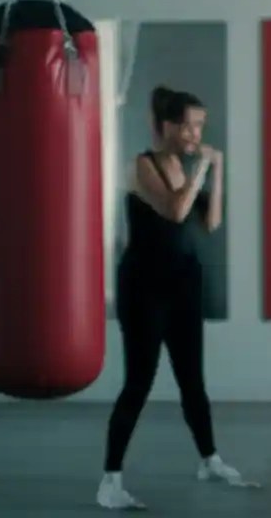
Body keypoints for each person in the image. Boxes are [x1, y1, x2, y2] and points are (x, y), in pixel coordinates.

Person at [98, 87, 255, 510]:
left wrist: (217, 169)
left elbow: (211, 220)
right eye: (186, 124)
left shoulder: (184, 166)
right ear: (164, 125)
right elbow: (177, 211)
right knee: (138, 382)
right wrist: (203, 163)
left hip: (184, 282)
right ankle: (110, 480)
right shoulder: (142, 166)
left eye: (199, 125)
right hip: (145, 287)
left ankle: (210, 459)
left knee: (192, 380)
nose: (193, 133)